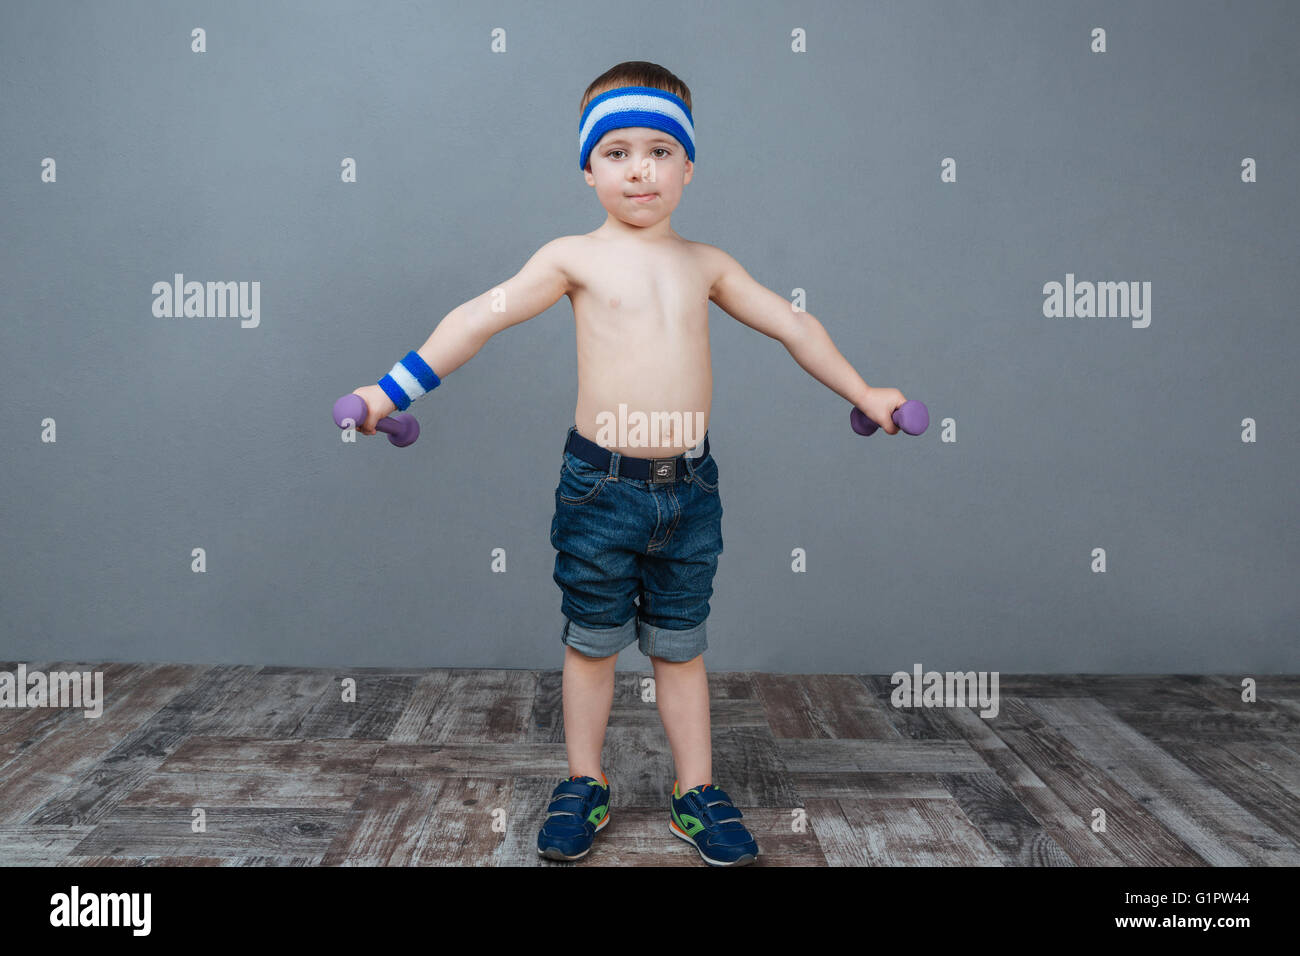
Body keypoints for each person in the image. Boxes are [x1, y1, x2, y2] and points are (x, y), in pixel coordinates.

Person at [347, 60, 908, 866]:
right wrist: (390, 389)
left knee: (681, 644)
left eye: (657, 150)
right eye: (615, 152)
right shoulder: (573, 257)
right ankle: (584, 781)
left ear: (688, 167)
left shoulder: (707, 264)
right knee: (593, 641)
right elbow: (477, 319)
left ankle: (697, 791)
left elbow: (792, 325)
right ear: (587, 169)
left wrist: (866, 390)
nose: (638, 167)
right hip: (599, 488)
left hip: (689, 489)